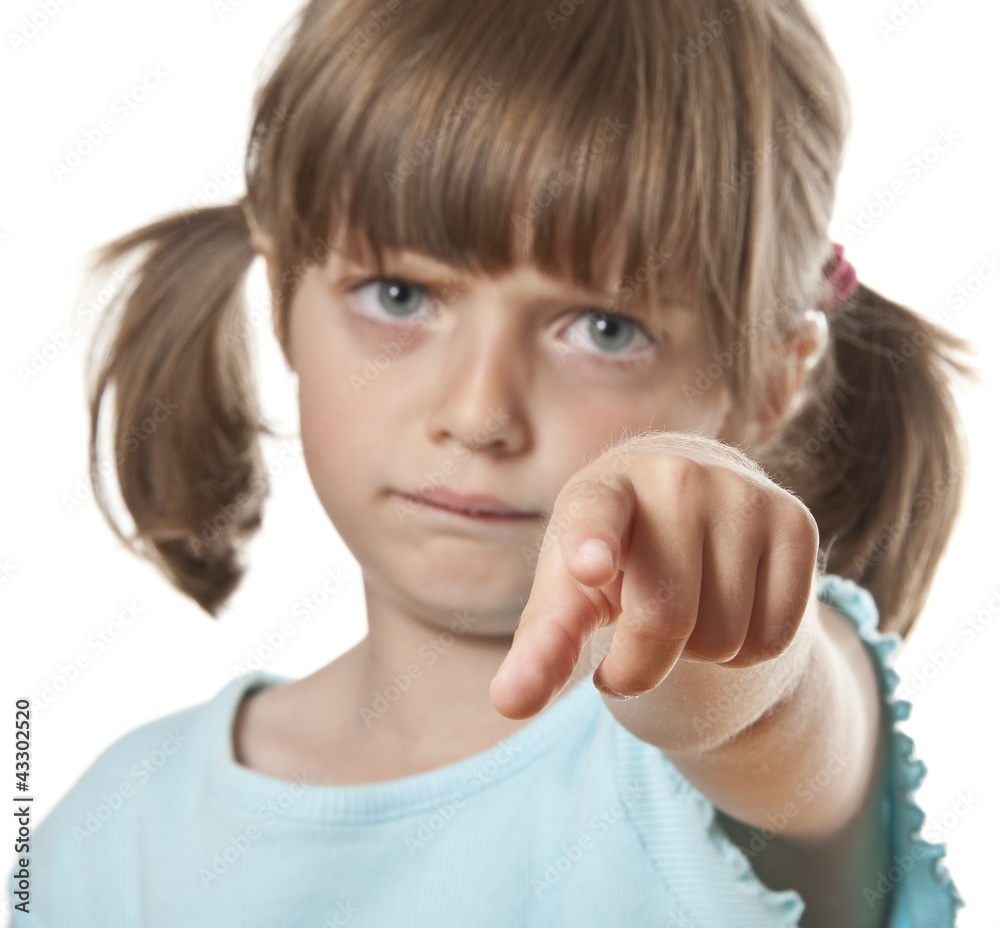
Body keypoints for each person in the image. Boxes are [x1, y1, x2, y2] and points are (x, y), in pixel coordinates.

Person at [8, 0, 971, 925]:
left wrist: (698, 571)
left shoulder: (727, 733)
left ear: (771, 379)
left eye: (605, 328)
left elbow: (767, 709)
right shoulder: (114, 834)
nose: (478, 414)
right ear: (283, 297)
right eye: (397, 295)